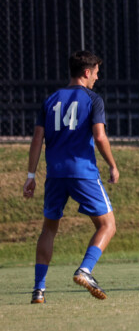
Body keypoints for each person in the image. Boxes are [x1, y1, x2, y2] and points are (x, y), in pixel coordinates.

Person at [24, 51, 119, 303]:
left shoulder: (51, 99)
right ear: (86, 72)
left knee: (49, 229)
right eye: (96, 72)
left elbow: (36, 139)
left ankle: (39, 289)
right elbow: (99, 136)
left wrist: (31, 175)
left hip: (54, 175)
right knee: (107, 225)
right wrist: (112, 165)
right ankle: (85, 270)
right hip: (83, 172)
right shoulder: (93, 99)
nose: (97, 78)